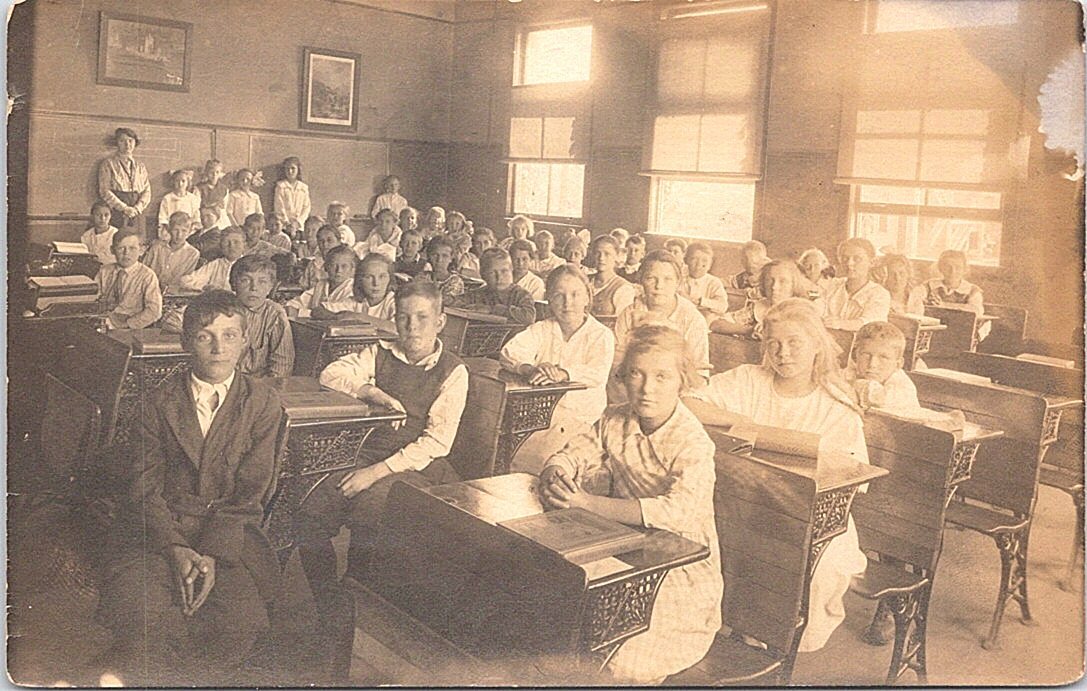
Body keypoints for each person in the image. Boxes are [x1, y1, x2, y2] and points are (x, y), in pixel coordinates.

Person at [97, 290, 282, 686]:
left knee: (240, 622)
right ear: (185, 343)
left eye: (230, 335)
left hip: (228, 539)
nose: (219, 347)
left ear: (245, 340)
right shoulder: (156, 402)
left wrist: (211, 555)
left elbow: (252, 492)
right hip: (158, 530)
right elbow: (143, 489)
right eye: (205, 336)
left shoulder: (263, 404)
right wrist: (176, 548)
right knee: (147, 619)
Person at [540, 324, 722, 684]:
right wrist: (555, 471)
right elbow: (575, 451)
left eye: (662, 376)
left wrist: (587, 504)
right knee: (555, 600)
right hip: (621, 552)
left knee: (621, 653)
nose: (646, 388)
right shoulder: (615, 418)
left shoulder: (693, 443)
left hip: (680, 574)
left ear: (682, 381)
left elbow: (674, 512)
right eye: (636, 373)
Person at [298, 282, 467, 668]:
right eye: (404, 318)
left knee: (368, 517)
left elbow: (436, 443)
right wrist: (371, 392)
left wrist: (374, 474)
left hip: (413, 467)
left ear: (440, 321)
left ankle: (356, 617)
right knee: (307, 512)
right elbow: (331, 373)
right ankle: (332, 604)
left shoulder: (454, 371)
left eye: (422, 318)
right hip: (365, 455)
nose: (412, 327)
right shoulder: (380, 353)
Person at [684, 298, 867, 653]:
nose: (783, 353)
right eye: (774, 343)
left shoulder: (837, 408)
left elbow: (846, 484)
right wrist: (743, 423)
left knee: (798, 558)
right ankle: (728, 624)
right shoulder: (749, 380)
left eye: (795, 342)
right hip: (744, 503)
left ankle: (769, 637)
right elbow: (689, 401)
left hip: (813, 515)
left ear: (817, 345)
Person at [500, 265, 614, 472]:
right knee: (507, 451)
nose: (567, 303)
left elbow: (597, 372)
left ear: (588, 297)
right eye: (558, 296)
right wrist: (530, 369)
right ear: (549, 300)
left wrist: (562, 373)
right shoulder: (543, 328)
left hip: (585, 421)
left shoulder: (601, 335)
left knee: (543, 461)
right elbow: (509, 352)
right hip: (541, 419)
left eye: (575, 294)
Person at [612, 250, 709, 398]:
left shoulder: (692, 320)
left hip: (677, 396)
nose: (659, 286)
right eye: (651, 278)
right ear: (641, 280)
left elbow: (699, 380)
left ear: (678, 282)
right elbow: (616, 366)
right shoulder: (630, 313)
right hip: (632, 392)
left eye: (668, 279)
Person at [711, 260, 820, 339]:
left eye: (783, 281)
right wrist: (749, 330)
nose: (774, 287)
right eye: (769, 280)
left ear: (794, 285)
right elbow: (716, 324)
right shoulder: (759, 307)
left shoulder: (804, 310)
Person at [229, 255, 295, 378]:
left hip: (260, 385)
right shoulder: (224, 311)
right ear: (233, 284)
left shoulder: (275, 314)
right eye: (245, 280)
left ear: (270, 287)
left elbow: (282, 364)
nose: (254, 288)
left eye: (262, 281)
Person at [845, 321, 920, 412]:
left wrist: (853, 384)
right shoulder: (850, 372)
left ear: (898, 364)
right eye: (866, 354)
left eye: (883, 357)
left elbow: (881, 400)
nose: (872, 364)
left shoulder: (903, 387)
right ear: (855, 356)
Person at [449, 247, 536, 326]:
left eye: (504, 271)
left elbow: (529, 317)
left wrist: (492, 309)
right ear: (482, 274)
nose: (499, 277)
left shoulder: (521, 294)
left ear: (511, 270)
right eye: (492, 273)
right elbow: (456, 301)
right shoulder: (478, 293)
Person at [96, 229, 163, 330]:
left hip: (131, 326)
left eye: (132, 248)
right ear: (112, 250)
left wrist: (128, 324)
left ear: (141, 250)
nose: (126, 253)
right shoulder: (104, 271)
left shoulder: (147, 276)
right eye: (121, 248)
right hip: (104, 321)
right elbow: (94, 297)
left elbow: (154, 311)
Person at [823, 237, 891, 330]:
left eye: (857, 259)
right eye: (845, 258)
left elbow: (868, 324)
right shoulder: (833, 285)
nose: (849, 263)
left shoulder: (879, 294)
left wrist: (840, 324)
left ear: (871, 262)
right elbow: (816, 310)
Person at [97, 127, 151, 238]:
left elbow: (147, 190)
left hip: (137, 210)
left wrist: (137, 208)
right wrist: (124, 208)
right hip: (117, 209)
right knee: (118, 240)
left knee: (136, 241)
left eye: (130, 141)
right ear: (117, 143)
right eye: (122, 141)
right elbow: (104, 190)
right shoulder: (108, 164)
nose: (127, 145)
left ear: (135, 143)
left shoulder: (140, 166)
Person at [320, 253, 397, 321]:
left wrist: (359, 317)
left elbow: (397, 329)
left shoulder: (395, 302)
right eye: (369, 277)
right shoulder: (355, 302)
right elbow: (318, 310)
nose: (376, 283)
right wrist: (337, 318)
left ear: (390, 279)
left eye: (382, 277)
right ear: (359, 280)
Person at [286, 244, 357, 318]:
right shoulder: (322, 285)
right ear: (326, 267)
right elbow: (301, 301)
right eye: (333, 265)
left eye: (344, 266)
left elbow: (331, 312)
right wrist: (290, 307)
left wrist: (300, 312)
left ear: (352, 269)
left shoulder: (353, 289)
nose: (338, 270)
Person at [142, 211, 201, 292]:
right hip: (149, 289)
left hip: (173, 294)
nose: (179, 235)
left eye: (184, 231)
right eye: (175, 230)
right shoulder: (157, 248)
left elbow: (185, 281)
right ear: (169, 229)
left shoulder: (193, 254)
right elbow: (143, 270)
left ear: (189, 231)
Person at [180, 227, 248, 292]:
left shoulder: (249, 265)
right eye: (226, 242)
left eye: (236, 242)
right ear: (221, 246)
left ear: (244, 246)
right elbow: (186, 281)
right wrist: (204, 287)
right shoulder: (215, 264)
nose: (231, 246)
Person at [922, 249, 985, 314]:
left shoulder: (972, 291)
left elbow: (976, 310)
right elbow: (914, 307)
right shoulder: (928, 286)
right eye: (948, 267)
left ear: (964, 269)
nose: (953, 271)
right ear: (940, 268)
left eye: (958, 267)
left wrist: (944, 305)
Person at [587, 235, 636, 318]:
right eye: (597, 253)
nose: (601, 258)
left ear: (616, 256)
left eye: (607, 254)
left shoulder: (623, 288)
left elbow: (622, 324)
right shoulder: (583, 281)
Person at [681, 242, 729, 320]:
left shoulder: (713, 282)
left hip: (704, 319)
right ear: (686, 260)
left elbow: (723, 306)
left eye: (704, 261)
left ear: (710, 265)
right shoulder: (679, 279)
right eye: (694, 259)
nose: (699, 265)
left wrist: (700, 301)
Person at [157, 169, 202, 242]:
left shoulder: (192, 198)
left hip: (189, 232)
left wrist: (190, 229)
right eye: (177, 181)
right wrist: (170, 231)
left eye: (183, 181)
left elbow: (196, 217)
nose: (180, 184)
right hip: (172, 231)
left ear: (188, 183)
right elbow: (163, 218)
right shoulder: (167, 198)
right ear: (173, 182)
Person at [274, 156, 311, 234]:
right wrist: (287, 223)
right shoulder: (281, 186)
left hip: (299, 226)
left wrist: (298, 222)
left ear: (298, 170)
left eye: (293, 168)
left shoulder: (303, 188)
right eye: (287, 169)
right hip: (284, 226)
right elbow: (279, 207)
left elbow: (306, 208)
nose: (290, 171)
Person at [301, 224, 342, 290]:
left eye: (329, 240)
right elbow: (304, 288)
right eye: (321, 241)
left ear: (339, 241)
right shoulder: (312, 265)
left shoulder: (344, 264)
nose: (325, 245)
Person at [195, 159, 231, 231]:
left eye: (217, 172)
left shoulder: (224, 189)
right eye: (211, 172)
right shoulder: (199, 188)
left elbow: (224, 207)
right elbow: (196, 207)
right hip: (206, 217)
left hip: (221, 218)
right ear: (206, 173)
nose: (214, 175)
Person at [81, 200, 118, 265]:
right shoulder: (87, 236)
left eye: (106, 215)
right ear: (92, 216)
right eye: (98, 215)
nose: (103, 218)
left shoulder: (116, 234)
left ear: (111, 216)